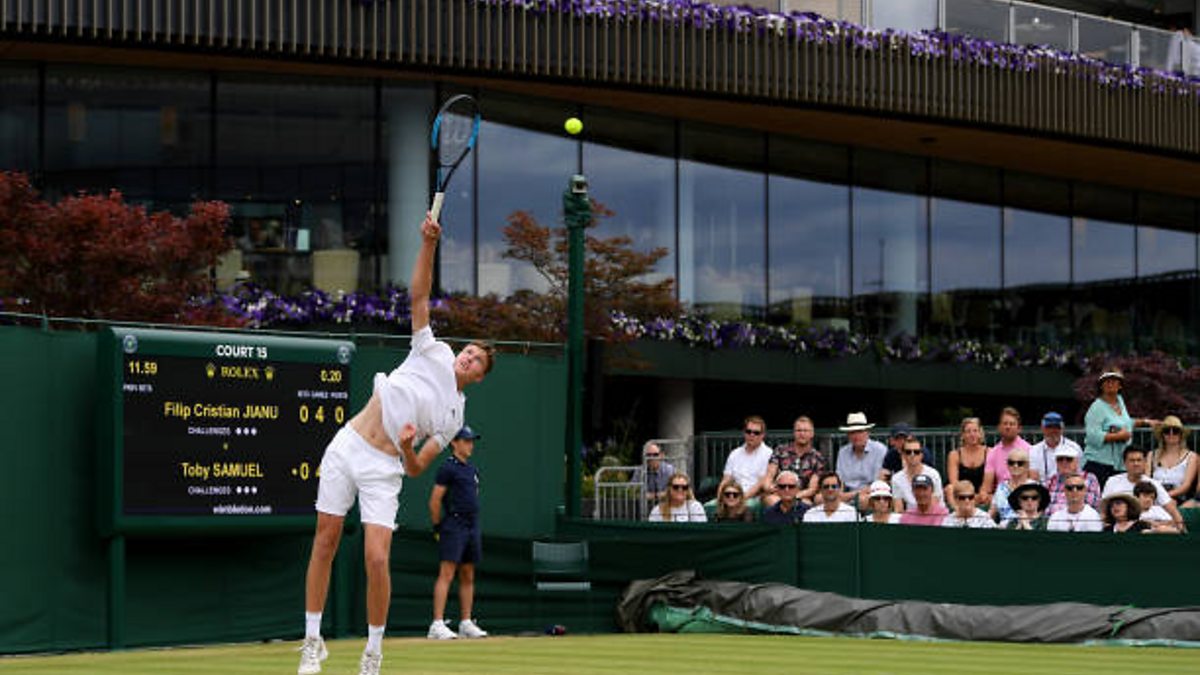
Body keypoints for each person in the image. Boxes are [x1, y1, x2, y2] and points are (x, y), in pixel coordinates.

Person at [299, 212, 495, 675]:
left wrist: (407, 447)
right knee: (324, 540)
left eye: (476, 360)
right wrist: (427, 243)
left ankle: (373, 652)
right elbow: (418, 295)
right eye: (468, 350)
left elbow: (415, 469)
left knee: (376, 556)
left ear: (479, 378)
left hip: (385, 468)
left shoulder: (454, 416)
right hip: (347, 445)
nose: (466, 356)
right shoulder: (433, 349)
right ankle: (312, 643)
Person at [427, 426, 488, 641]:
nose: (470, 444)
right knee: (447, 573)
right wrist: (438, 527)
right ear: (454, 443)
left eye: (472, 441)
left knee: (468, 573)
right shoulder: (447, 468)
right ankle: (437, 623)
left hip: (472, 525)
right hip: (453, 525)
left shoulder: (472, 469)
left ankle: (466, 622)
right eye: (466, 440)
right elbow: (435, 501)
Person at [1082, 369, 1156, 486]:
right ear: (1101, 386)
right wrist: (1118, 436)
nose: (1110, 384)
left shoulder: (1120, 401)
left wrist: (1145, 422)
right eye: (1106, 382)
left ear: (1120, 385)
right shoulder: (1096, 408)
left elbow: (1125, 423)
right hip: (1099, 463)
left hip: (1119, 462)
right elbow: (1092, 436)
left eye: (1113, 381)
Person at [1100, 446, 1185, 531]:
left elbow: (1172, 510)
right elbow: (1103, 510)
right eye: (1132, 460)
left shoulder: (1153, 484)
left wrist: (1182, 530)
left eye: (1139, 460)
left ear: (1145, 462)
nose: (1136, 464)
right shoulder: (1112, 481)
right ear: (1125, 463)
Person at [763, 415, 826, 507]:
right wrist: (770, 487)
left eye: (805, 431)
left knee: (806, 505)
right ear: (794, 433)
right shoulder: (780, 450)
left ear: (812, 434)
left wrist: (792, 496)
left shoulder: (817, 457)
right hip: (779, 493)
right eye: (799, 430)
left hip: (802, 496)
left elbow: (812, 489)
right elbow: (769, 477)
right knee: (772, 500)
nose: (802, 434)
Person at [717, 416, 773, 507]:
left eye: (756, 433)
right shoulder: (734, 453)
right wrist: (719, 498)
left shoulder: (769, 454)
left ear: (762, 435)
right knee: (709, 506)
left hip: (754, 498)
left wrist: (741, 498)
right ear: (744, 433)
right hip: (732, 495)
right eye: (748, 431)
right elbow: (726, 480)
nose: (752, 435)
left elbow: (761, 484)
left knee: (747, 506)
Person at [833, 412, 887, 505]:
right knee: (820, 499)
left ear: (867, 432)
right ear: (848, 435)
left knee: (862, 501)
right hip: (847, 494)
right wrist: (840, 495)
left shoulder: (880, 450)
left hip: (871, 494)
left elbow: (878, 483)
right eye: (852, 432)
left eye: (860, 431)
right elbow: (839, 480)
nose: (856, 436)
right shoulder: (842, 452)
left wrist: (851, 495)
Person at [981, 407, 1032, 500]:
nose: (1008, 427)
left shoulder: (1029, 450)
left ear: (1019, 428)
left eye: (1012, 424)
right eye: (1005, 424)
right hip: (1000, 500)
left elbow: (1034, 482)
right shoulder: (993, 453)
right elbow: (986, 488)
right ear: (999, 427)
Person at [943, 417, 990, 508]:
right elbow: (954, 482)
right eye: (968, 431)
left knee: (991, 495)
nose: (972, 434)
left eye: (975, 431)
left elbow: (988, 482)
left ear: (980, 433)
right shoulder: (954, 454)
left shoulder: (989, 453)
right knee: (949, 489)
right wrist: (967, 496)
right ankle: (956, 515)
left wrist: (979, 495)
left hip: (981, 494)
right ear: (963, 435)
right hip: (960, 493)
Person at [1043, 444, 1102, 515]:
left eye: (1069, 459)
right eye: (1060, 459)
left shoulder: (1089, 479)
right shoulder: (1050, 481)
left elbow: (1091, 506)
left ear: (1077, 461)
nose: (1064, 462)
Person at [1151, 415, 1197, 505]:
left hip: (1178, 499)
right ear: (1162, 435)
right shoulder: (1151, 455)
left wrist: (1164, 496)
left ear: (1181, 435)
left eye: (1175, 431)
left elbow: (1186, 486)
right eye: (1167, 431)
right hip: (1153, 498)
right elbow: (1146, 480)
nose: (1171, 434)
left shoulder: (1191, 457)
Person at [891, 437, 944, 512]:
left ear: (921, 455)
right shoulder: (896, 478)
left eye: (916, 452)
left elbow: (935, 503)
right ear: (903, 455)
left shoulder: (933, 474)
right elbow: (898, 509)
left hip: (935, 516)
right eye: (908, 452)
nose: (912, 455)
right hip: (910, 518)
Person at [1028, 412, 1081, 483]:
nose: (1052, 431)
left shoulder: (1074, 448)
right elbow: (1033, 477)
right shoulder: (1034, 451)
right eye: (1049, 427)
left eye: (1056, 427)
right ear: (1042, 428)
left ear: (1062, 429)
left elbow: (1079, 474)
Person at [988, 448, 1033, 524]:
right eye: (1011, 463)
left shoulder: (1034, 487)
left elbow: (1038, 516)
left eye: (1020, 463)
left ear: (1027, 465)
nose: (1015, 466)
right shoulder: (1001, 488)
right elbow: (992, 512)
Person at [632, 441, 675, 516]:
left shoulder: (669, 470)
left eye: (655, 455)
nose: (651, 457)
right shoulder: (639, 471)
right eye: (649, 455)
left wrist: (655, 496)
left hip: (667, 510)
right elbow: (631, 491)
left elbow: (675, 490)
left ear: (661, 455)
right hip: (644, 512)